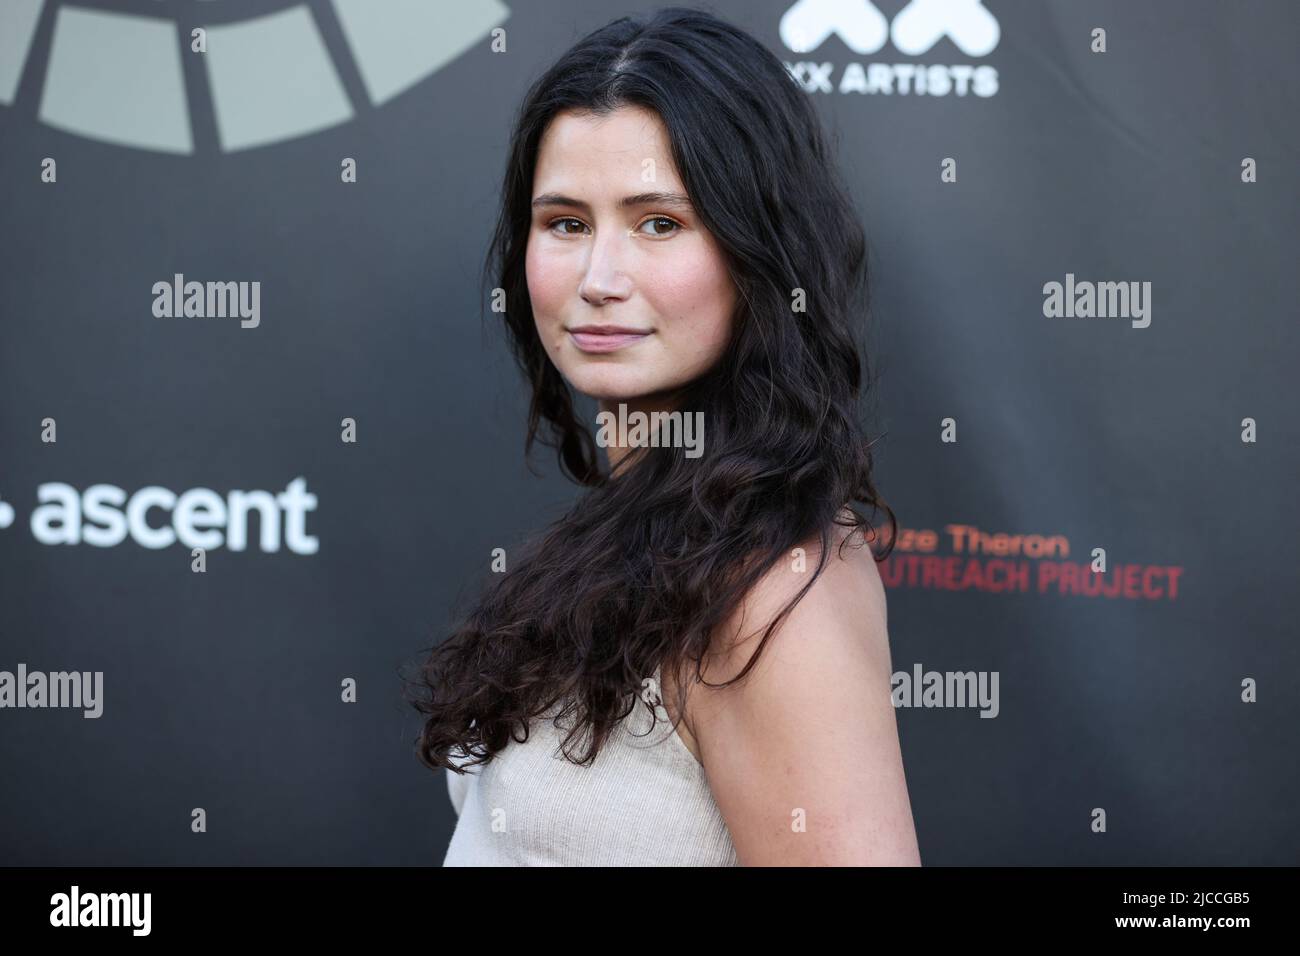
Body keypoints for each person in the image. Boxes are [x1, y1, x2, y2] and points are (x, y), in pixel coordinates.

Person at [404, 6, 920, 867]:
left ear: (761, 255)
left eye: (659, 223)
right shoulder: (641, 527)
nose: (599, 279)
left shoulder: (769, 585)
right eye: (566, 222)